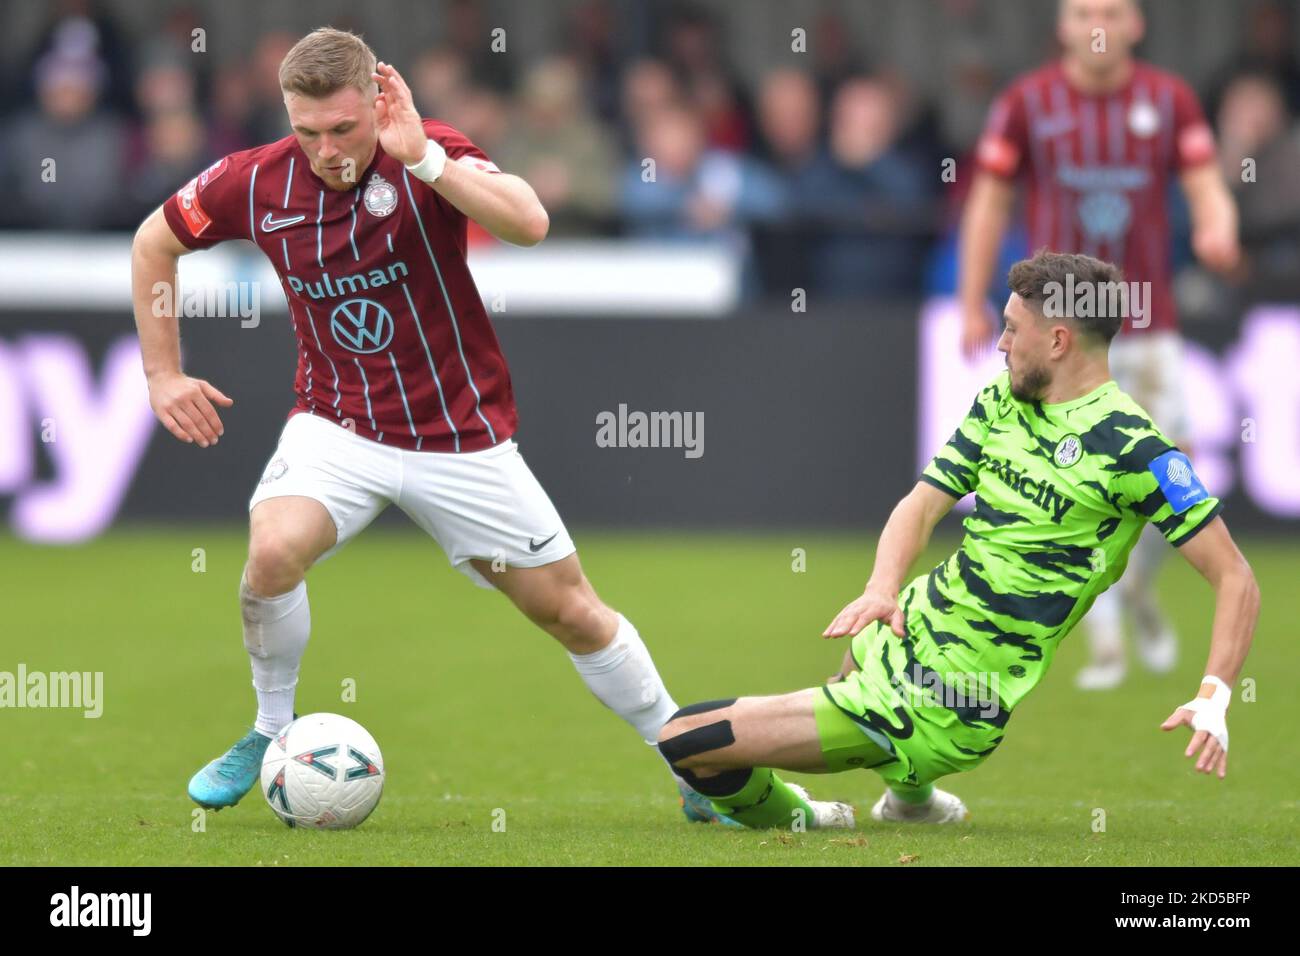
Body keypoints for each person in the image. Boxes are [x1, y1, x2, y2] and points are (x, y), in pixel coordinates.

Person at [129, 27, 728, 824]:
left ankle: (689, 766)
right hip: (335, 427)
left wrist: (426, 161)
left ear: (379, 102)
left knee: (570, 611)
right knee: (271, 553)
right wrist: (163, 374)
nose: (330, 151)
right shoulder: (254, 181)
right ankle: (269, 727)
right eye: (309, 133)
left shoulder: (425, 153)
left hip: (459, 436)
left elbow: (530, 222)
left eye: (345, 129)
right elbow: (153, 242)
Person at [657, 251, 1258, 830]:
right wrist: (882, 587)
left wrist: (1214, 695)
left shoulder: (1137, 450)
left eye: (1011, 329)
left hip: (948, 701)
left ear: (1057, 341)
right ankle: (912, 803)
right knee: (865, 634)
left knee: (684, 741)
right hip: (913, 622)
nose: (999, 344)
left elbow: (1236, 577)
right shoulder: (1003, 400)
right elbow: (921, 506)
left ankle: (804, 813)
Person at [957, 0, 1240, 690]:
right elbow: (990, 200)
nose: (1098, 23)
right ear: (1062, 25)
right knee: (1072, 476)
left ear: (1137, 23)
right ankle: (1106, 637)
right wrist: (971, 298)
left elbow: (1205, 183)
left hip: (1146, 318)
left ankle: (1138, 588)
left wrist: (1217, 228)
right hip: (1060, 328)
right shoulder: (1027, 102)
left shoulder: (1168, 101)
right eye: (1085, 10)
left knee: (1177, 477)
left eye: (1112, 10)